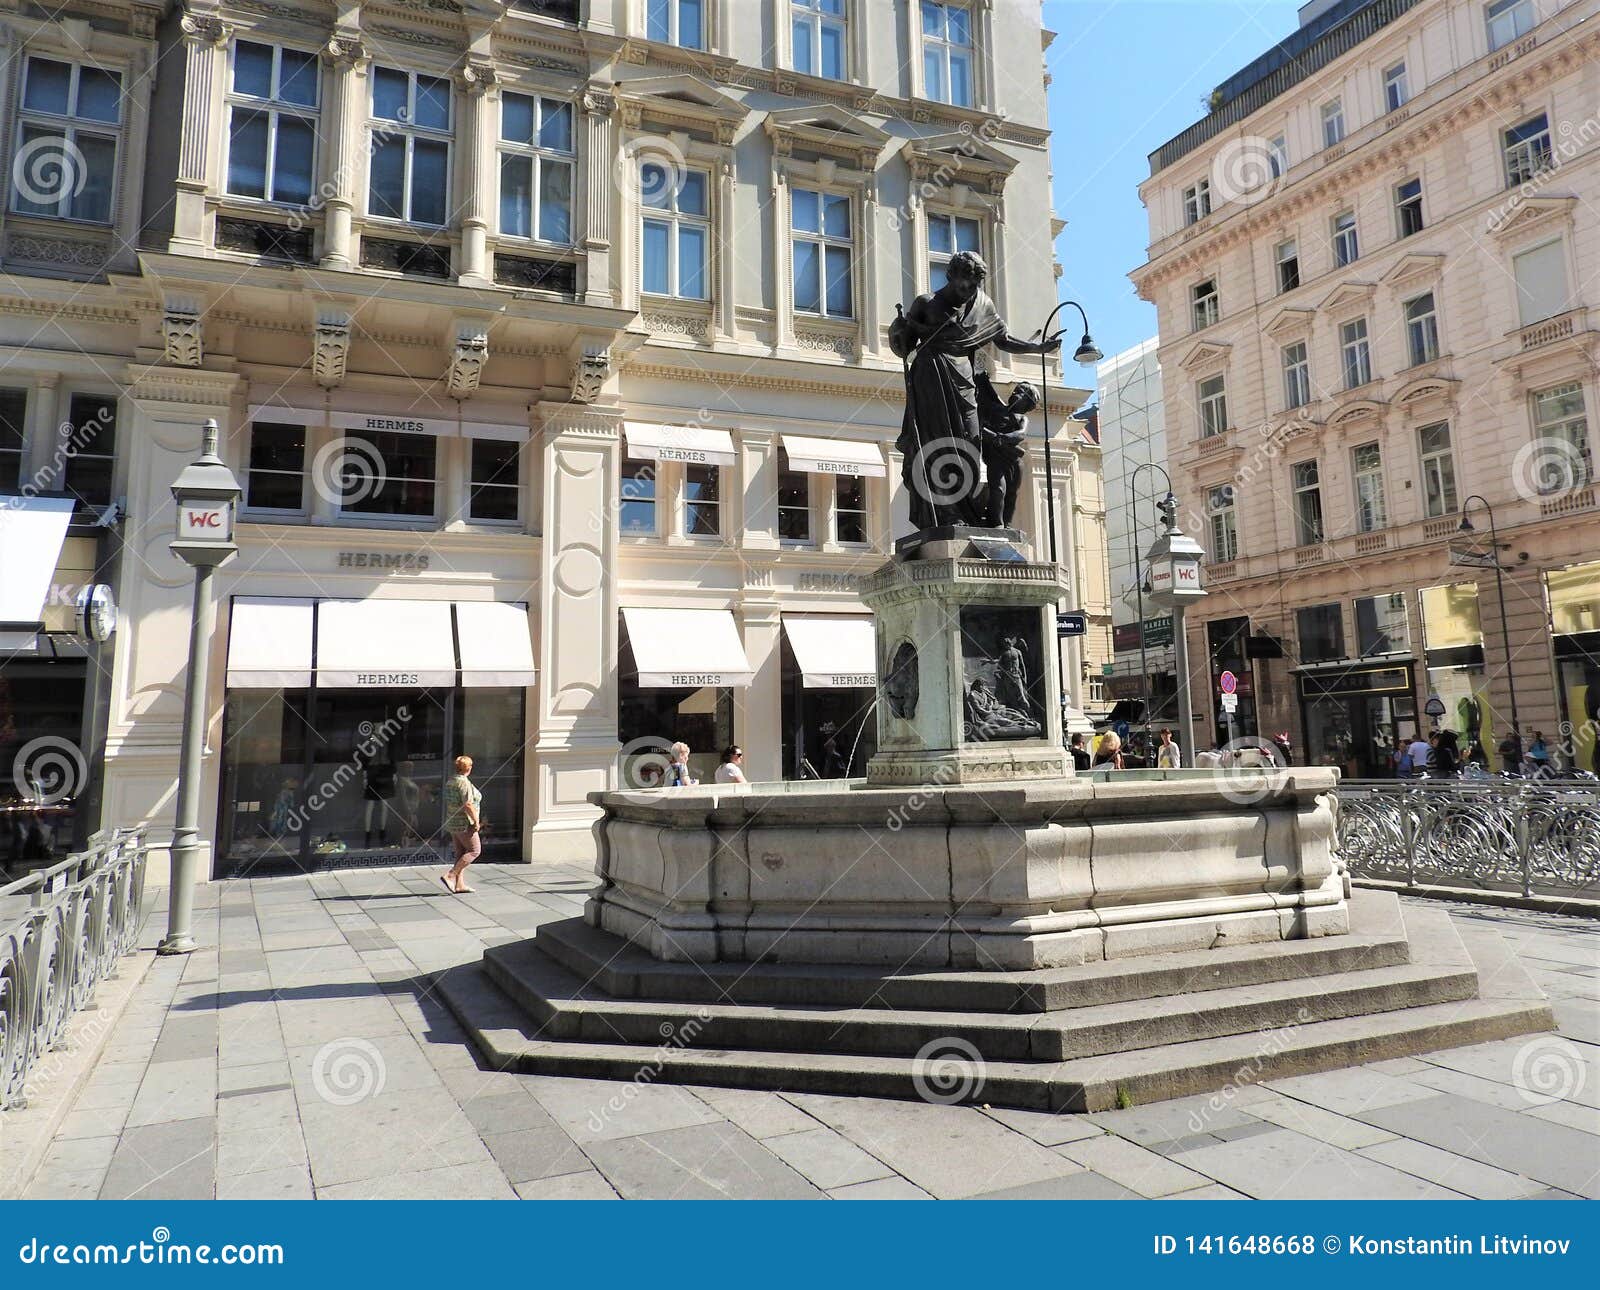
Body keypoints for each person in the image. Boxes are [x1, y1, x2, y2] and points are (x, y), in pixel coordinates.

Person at [890, 250, 1059, 530]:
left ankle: (966, 510)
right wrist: (898, 330)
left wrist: (1036, 348)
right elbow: (903, 347)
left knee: (970, 440)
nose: (971, 289)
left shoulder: (982, 304)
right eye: (966, 283)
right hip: (930, 375)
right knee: (935, 442)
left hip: (964, 377)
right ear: (951, 276)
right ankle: (946, 514)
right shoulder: (926, 303)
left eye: (976, 283)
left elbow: (1003, 339)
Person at [440, 754, 482, 895]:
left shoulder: (451, 781)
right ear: (469, 768)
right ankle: (450, 875)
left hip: (453, 821)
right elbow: (468, 804)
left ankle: (460, 885)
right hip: (464, 823)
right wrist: (476, 821)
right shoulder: (463, 782)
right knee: (475, 850)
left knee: (460, 853)